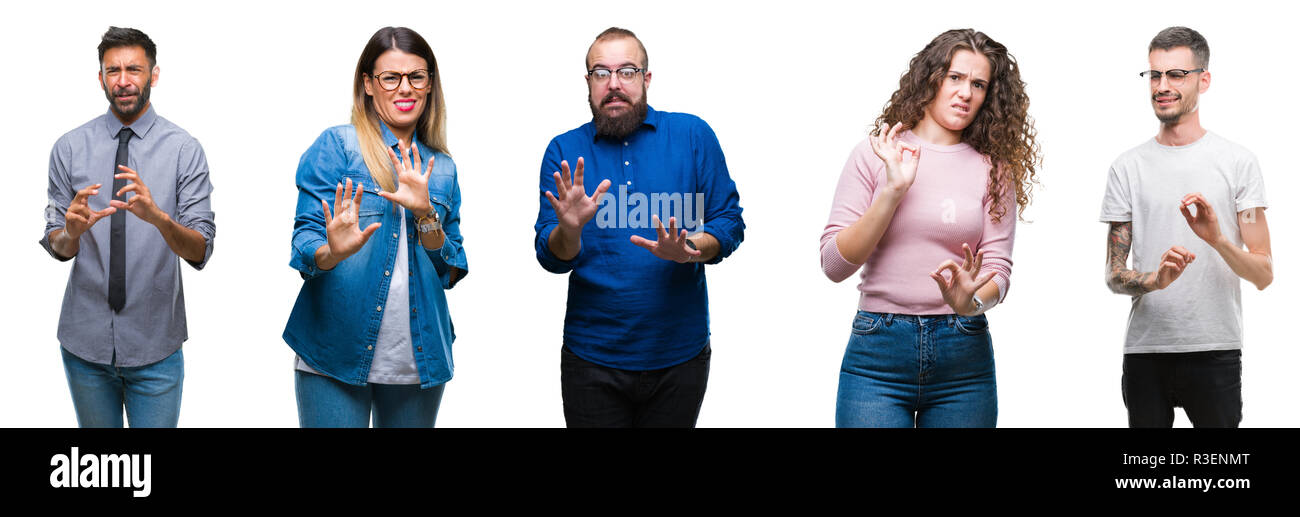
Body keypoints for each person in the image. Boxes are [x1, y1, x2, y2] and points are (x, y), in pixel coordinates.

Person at [820, 29, 1039, 428]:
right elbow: (834, 265)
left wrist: (969, 303)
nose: (966, 93)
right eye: (955, 77)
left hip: (963, 356)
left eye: (978, 84)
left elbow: (999, 272)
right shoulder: (877, 153)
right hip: (877, 355)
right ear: (931, 78)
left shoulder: (994, 169)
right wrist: (892, 192)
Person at [534, 27, 745, 428]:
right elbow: (551, 256)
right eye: (601, 73)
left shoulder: (692, 136)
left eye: (627, 71)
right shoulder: (564, 152)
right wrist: (571, 230)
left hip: (680, 357)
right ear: (588, 83)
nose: (614, 84)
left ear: (646, 79)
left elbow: (729, 221)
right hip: (591, 360)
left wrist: (690, 248)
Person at [284, 26, 467, 428]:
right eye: (391, 77)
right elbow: (304, 242)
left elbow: (449, 270)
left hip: (419, 356)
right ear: (368, 83)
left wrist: (425, 215)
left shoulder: (443, 167)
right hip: (333, 350)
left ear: (430, 84)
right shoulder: (337, 146)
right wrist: (333, 251)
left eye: (417, 77)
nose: (406, 89)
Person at [40, 27, 216, 427]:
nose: (123, 81)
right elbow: (58, 245)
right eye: (112, 70)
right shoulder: (69, 147)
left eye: (134, 69)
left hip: (156, 345)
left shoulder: (183, 150)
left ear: (153, 75)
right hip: (84, 345)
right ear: (100, 77)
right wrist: (71, 232)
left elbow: (200, 249)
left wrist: (159, 218)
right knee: (103, 470)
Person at [1100, 27, 1272, 428]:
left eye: (1176, 74)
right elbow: (1113, 276)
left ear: (1203, 79)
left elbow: (1264, 273)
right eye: (1155, 75)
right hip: (1146, 352)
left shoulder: (1238, 162)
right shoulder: (1127, 167)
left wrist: (1216, 240)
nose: (1162, 86)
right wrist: (1156, 281)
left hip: (1215, 349)